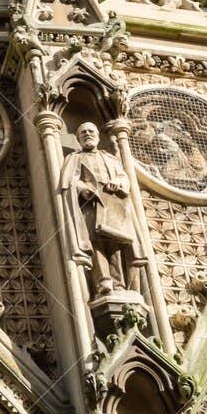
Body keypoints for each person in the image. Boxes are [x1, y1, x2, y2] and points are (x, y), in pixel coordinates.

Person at [61, 121, 144, 296]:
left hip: (113, 204)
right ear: (78, 139)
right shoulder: (74, 158)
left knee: (115, 242)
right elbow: (70, 181)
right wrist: (82, 188)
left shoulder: (110, 158)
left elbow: (123, 177)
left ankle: (118, 284)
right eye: (83, 133)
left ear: (98, 136)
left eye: (91, 131)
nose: (87, 134)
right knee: (96, 242)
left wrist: (118, 182)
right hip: (91, 204)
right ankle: (103, 281)